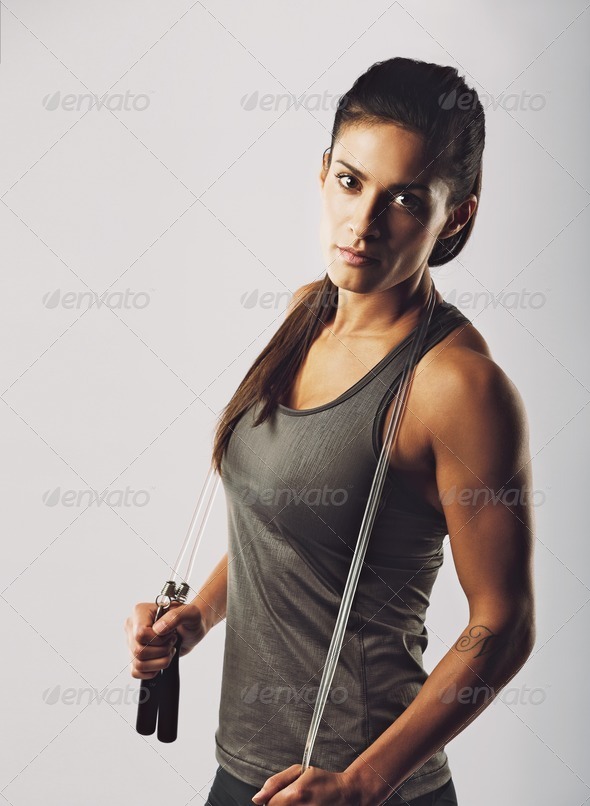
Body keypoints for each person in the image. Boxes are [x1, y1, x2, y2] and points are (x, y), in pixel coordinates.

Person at [125, 57, 536, 805]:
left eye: (406, 199)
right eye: (350, 182)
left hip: (364, 786)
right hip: (248, 769)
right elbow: (282, 523)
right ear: (323, 173)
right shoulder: (304, 312)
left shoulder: (459, 388)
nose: (363, 222)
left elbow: (503, 624)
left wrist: (363, 782)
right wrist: (196, 619)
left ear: (459, 216)